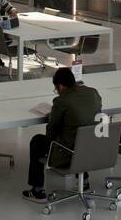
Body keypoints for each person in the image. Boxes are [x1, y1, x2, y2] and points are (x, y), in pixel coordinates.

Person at [23, 67, 103, 203]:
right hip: (91, 149)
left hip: (69, 152)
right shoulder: (93, 92)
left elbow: (50, 133)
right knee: (82, 133)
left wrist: (54, 116)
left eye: (56, 89)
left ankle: (37, 190)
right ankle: (84, 181)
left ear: (60, 86)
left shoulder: (61, 101)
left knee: (37, 141)